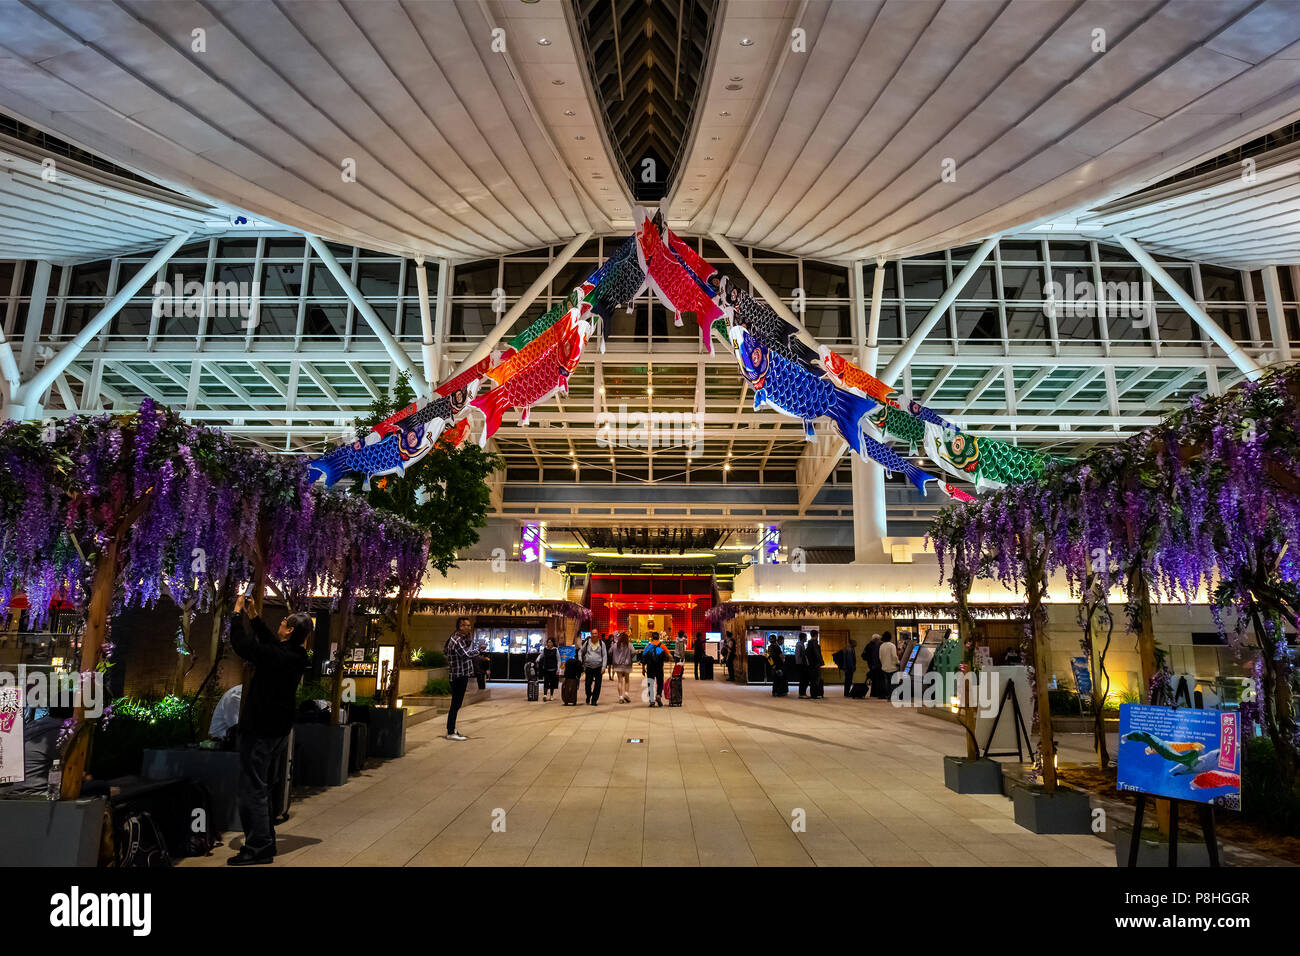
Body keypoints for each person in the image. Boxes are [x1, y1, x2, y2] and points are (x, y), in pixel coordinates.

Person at [227, 595, 312, 865]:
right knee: (262, 785)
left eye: (284, 622)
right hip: (278, 730)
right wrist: (254, 616)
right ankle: (266, 839)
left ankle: (258, 846)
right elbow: (272, 644)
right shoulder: (296, 655)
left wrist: (236, 613)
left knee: (252, 788)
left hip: (260, 729)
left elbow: (242, 645)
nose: (280, 624)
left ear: (289, 631)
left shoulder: (276, 655)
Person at [444, 617, 483, 740]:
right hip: (458, 676)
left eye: (469, 625)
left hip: (461, 674)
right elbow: (465, 655)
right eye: (466, 625)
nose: (469, 627)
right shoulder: (456, 640)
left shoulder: (461, 639)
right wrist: (478, 650)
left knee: (456, 704)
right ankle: (450, 732)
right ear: (460, 626)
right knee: (455, 704)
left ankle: (452, 729)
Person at [578, 631, 608, 705]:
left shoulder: (601, 643)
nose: (594, 635)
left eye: (595, 633)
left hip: (598, 667)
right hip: (588, 667)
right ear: (591, 635)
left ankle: (594, 700)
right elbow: (580, 651)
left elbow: (604, 655)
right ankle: (588, 695)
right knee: (587, 684)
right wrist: (580, 660)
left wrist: (604, 667)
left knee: (598, 685)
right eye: (593, 633)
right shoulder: (587, 643)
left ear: (598, 634)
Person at [641, 631, 669, 707]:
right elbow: (669, 655)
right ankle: (659, 695)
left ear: (652, 638)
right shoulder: (662, 645)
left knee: (650, 682)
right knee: (660, 682)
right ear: (659, 637)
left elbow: (643, 658)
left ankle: (651, 700)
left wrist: (643, 669)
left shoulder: (648, 646)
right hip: (659, 667)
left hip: (650, 667)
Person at [610, 632, 635, 703]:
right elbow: (633, 652)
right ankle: (626, 694)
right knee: (627, 680)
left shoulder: (615, 645)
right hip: (627, 664)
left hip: (618, 664)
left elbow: (610, 652)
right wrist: (629, 657)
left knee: (620, 681)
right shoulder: (629, 645)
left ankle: (620, 697)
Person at [878, 632, 900, 699]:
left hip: (884, 667)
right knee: (894, 683)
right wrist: (898, 662)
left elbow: (880, 657)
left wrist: (883, 664)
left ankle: (888, 695)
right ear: (890, 638)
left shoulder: (881, 646)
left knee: (887, 683)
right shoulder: (892, 645)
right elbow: (894, 656)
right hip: (892, 667)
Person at [538, 636, 560, 701]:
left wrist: (558, 669)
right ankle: (545, 695)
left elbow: (559, 660)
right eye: (548, 642)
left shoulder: (556, 650)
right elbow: (541, 655)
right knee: (546, 682)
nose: (549, 643)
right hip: (546, 669)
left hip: (553, 669)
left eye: (550, 642)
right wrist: (538, 659)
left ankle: (551, 695)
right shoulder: (545, 649)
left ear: (553, 643)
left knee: (552, 683)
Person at [864, 633, 883, 698]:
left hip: (871, 665)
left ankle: (873, 693)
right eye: (878, 639)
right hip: (875, 665)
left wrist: (869, 661)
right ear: (876, 639)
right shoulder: (875, 646)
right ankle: (876, 693)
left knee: (874, 680)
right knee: (877, 679)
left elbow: (863, 655)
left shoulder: (868, 645)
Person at [805, 633, 823, 698]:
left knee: (813, 680)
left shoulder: (809, 644)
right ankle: (815, 694)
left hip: (811, 665)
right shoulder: (814, 644)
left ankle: (814, 694)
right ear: (816, 635)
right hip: (815, 664)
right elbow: (817, 654)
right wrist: (820, 662)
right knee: (815, 680)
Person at [794, 633, 809, 698]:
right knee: (803, 679)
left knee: (804, 679)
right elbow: (799, 655)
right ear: (803, 638)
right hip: (801, 664)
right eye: (806, 637)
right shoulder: (799, 645)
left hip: (801, 664)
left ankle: (803, 693)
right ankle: (802, 694)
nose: (806, 639)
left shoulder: (801, 644)